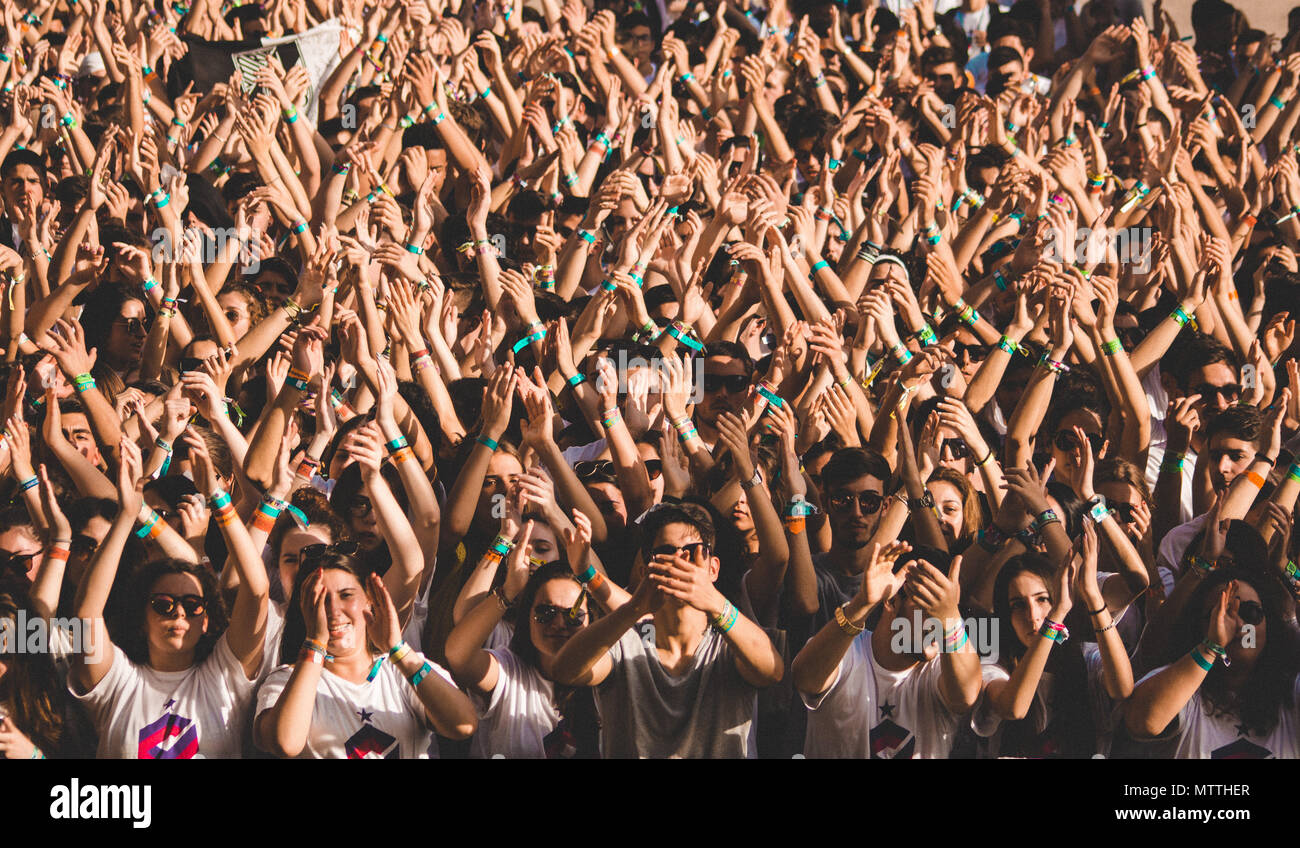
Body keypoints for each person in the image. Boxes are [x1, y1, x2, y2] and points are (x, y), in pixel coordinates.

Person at [551, 503, 783, 757]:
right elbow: (566, 670)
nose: (679, 560)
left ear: (713, 568)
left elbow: (772, 671)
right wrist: (635, 608)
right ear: (644, 570)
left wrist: (714, 602)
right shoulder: (626, 643)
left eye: (693, 552)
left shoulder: (731, 643)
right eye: (666, 552)